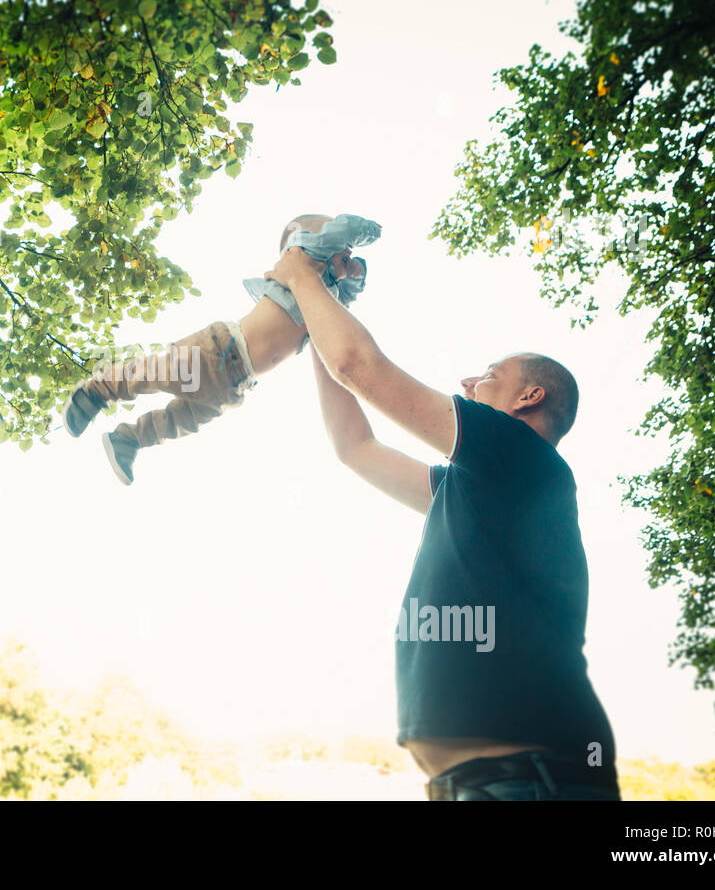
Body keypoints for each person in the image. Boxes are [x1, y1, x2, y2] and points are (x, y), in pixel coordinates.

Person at [265, 244, 619, 801]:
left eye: (489, 375)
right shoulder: (478, 487)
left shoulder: (520, 453)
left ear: (530, 396)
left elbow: (361, 367)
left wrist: (302, 277)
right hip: (487, 785)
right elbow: (355, 447)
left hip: (532, 782)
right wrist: (318, 308)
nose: (468, 380)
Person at [60, 213, 381, 485]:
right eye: (344, 253)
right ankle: (96, 392)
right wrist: (366, 233)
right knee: (161, 373)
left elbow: (345, 304)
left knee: (182, 421)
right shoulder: (302, 260)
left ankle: (128, 440)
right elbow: (340, 232)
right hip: (221, 351)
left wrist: (357, 272)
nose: (347, 258)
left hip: (235, 385)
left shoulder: (323, 298)